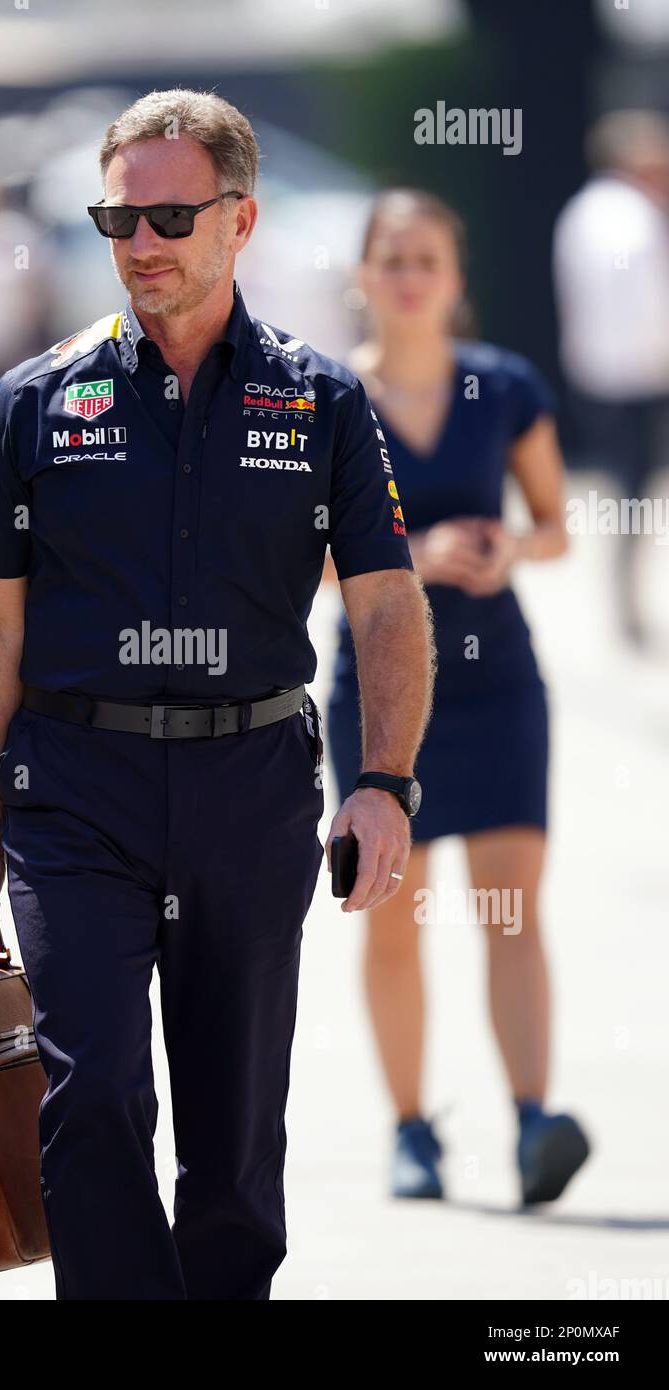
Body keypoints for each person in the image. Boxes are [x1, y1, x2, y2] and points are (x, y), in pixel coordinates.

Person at [0, 91, 434, 1300]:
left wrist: (383, 785)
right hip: (75, 794)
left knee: (231, 1152)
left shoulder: (320, 401)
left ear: (239, 218)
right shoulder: (34, 404)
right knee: (92, 1092)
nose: (140, 242)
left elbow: (381, 600)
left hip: (250, 793)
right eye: (119, 217)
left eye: (170, 214)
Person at [328, 189, 590, 1206]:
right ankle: (409, 1129)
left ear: (453, 278)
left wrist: (506, 547)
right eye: (389, 257)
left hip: (497, 680)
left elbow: (557, 525)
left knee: (512, 905)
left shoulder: (505, 387)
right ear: (361, 275)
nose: (406, 274)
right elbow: (288, 556)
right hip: (382, 689)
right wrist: (407, 558)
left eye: (424, 257)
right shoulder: (322, 396)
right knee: (392, 915)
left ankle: (532, 1122)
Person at [553, 110, 669, 647]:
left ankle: (625, 600)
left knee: (627, 493)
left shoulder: (582, 211)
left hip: (601, 375)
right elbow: (650, 306)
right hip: (637, 376)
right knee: (634, 495)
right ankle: (627, 604)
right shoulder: (635, 217)